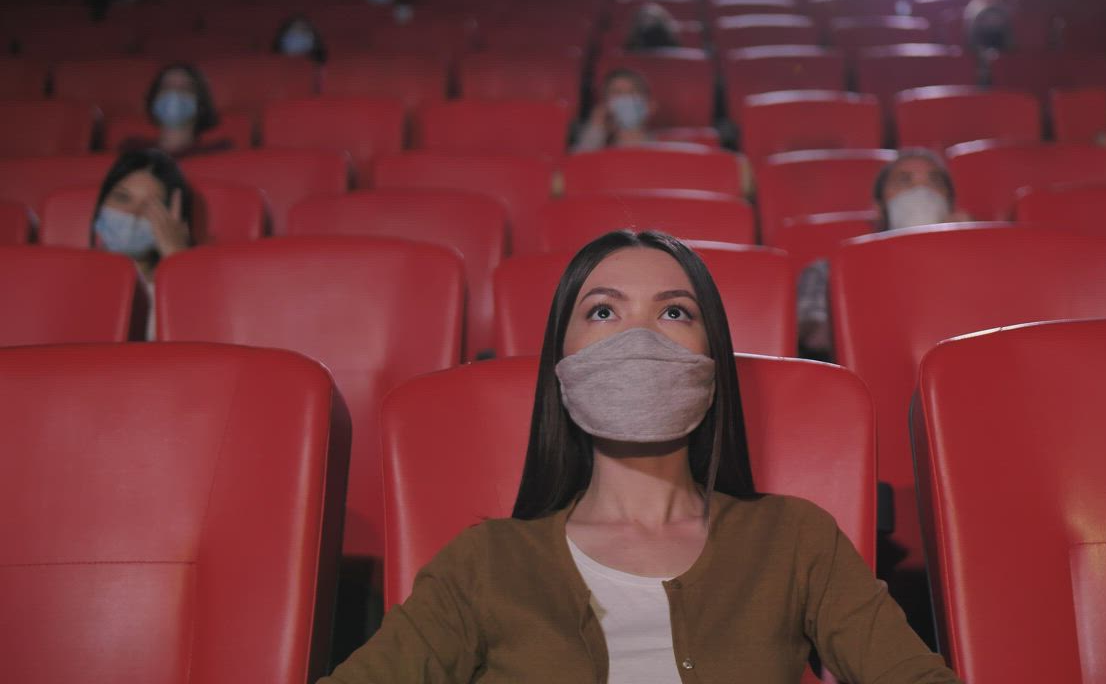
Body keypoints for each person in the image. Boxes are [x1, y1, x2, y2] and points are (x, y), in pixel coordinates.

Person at [320, 230, 961, 683]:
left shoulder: (795, 539)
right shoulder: (486, 562)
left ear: (711, 362)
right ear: (563, 363)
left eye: (675, 312)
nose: (638, 338)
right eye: (602, 311)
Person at [797, 150, 969, 356]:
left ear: (951, 205)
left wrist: (971, 249)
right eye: (904, 181)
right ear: (879, 208)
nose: (920, 190)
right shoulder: (831, 271)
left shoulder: (980, 267)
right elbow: (813, 339)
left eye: (934, 182)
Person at [92, 149, 193, 338]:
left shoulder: (175, 295)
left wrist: (178, 259)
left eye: (150, 206)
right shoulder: (67, 281)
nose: (132, 213)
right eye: (122, 198)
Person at [119, 63, 232, 158]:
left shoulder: (218, 153)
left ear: (200, 103)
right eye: (166, 87)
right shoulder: (132, 151)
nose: (174, 94)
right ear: (153, 100)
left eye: (184, 88)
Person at [574, 69, 658, 152]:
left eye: (633, 91)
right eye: (617, 92)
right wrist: (597, 126)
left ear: (649, 104)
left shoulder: (664, 143)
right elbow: (578, 159)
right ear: (605, 103)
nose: (626, 96)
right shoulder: (596, 144)